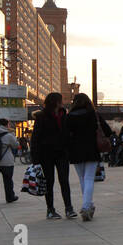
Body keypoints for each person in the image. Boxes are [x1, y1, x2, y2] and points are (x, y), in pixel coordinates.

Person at [66, 93, 113, 221]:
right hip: (91, 150)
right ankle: (87, 206)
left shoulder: (69, 116)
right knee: (89, 179)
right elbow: (108, 131)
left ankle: (89, 205)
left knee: (82, 179)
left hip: (75, 151)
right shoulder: (94, 115)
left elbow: (65, 135)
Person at [31, 92, 77, 221]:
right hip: (46, 154)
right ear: (56, 101)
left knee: (64, 181)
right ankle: (50, 209)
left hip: (62, 153)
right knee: (49, 182)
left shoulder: (64, 115)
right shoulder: (41, 116)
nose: (62, 102)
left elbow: (68, 134)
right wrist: (35, 159)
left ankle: (69, 208)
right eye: (61, 100)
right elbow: (35, 138)